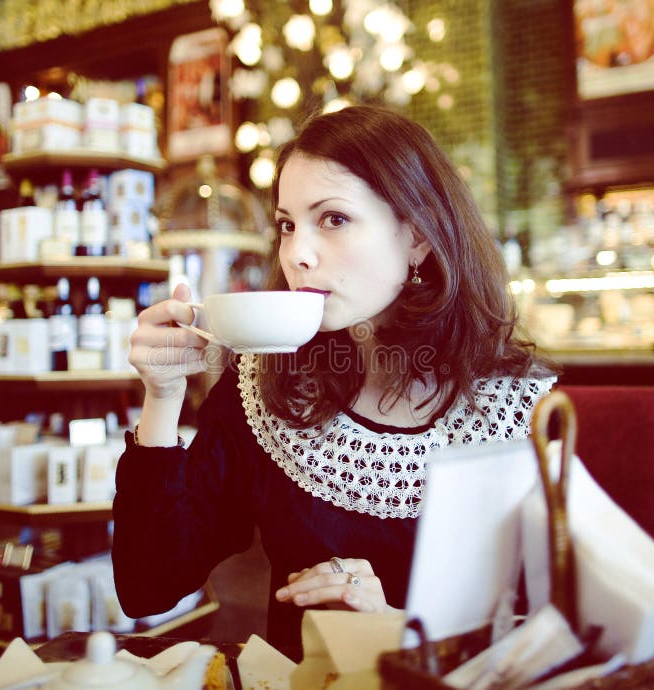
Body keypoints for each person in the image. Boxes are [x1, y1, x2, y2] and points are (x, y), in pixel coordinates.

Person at [112, 105, 557, 657]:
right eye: (287, 225)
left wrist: (394, 627)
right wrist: (162, 397)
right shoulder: (266, 388)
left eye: (334, 219)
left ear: (417, 236)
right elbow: (147, 587)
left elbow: (570, 632)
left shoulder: (520, 416)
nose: (297, 253)